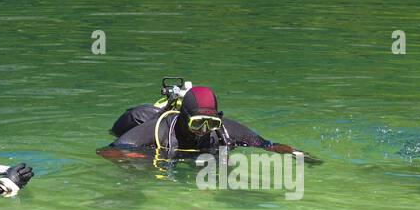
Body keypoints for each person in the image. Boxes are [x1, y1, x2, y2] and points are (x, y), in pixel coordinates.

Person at [100, 83, 314, 160]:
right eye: (197, 124)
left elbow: (268, 145)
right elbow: (107, 150)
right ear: (183, 118)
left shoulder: (225, 131)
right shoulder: (158, 130)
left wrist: (298, 154)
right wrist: (131, 156)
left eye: (210, 124)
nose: (203, 131)